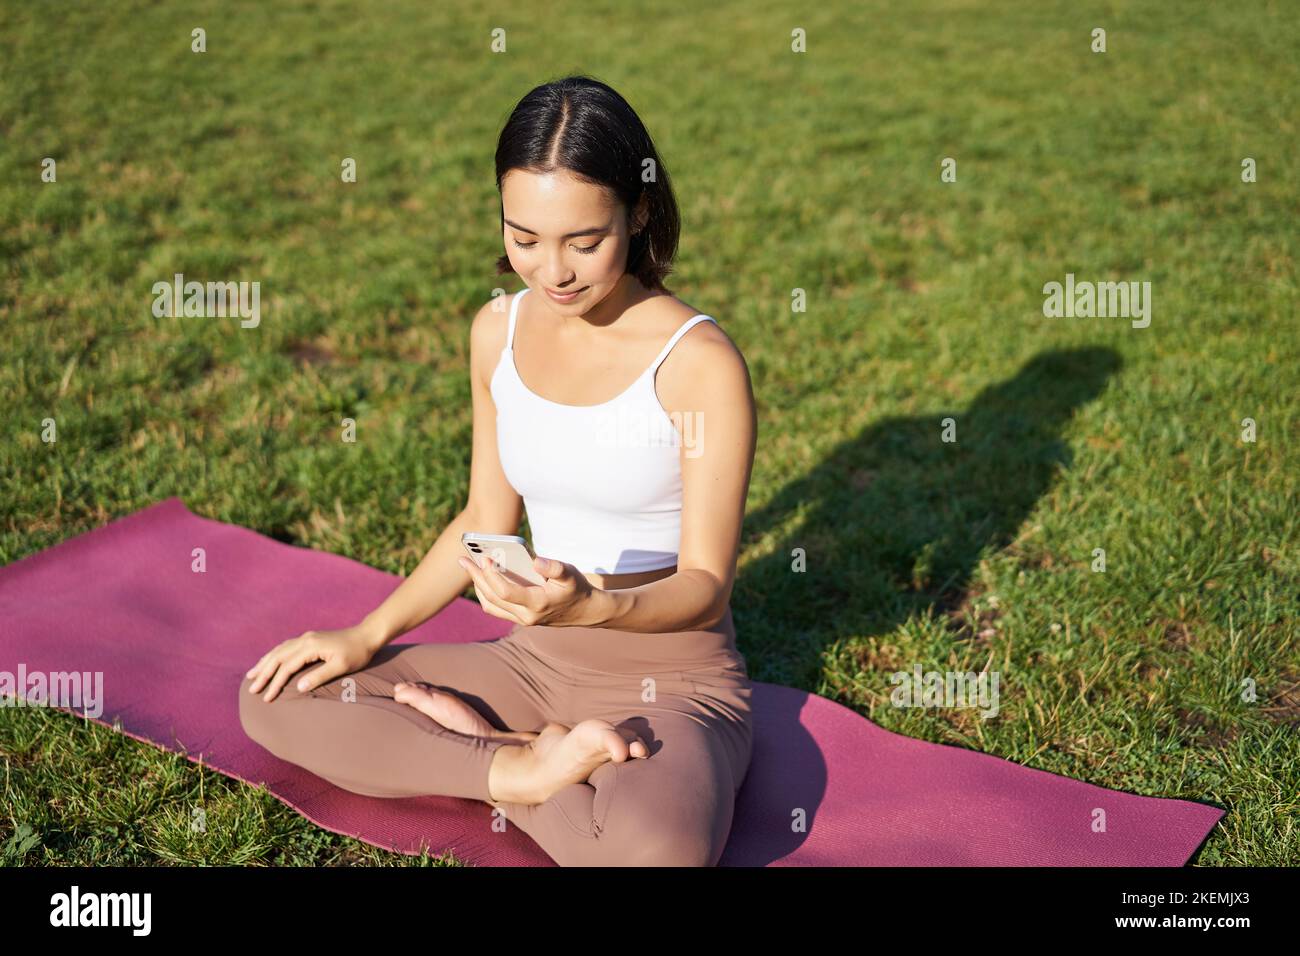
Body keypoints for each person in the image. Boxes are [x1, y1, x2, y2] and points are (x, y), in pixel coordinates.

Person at [238, 74, 758, 867]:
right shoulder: (497, 331)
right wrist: (367, 633)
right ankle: (515, 766)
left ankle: (488, 757)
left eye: (584, 241)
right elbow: (485, 519)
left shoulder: (697, 362)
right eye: (525, 238)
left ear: (639, 212)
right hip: (533, 661)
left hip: (673, 679)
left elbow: (706, 584)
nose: (553, 272)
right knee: (276, 697)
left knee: (657, 855)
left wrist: (590, 610)